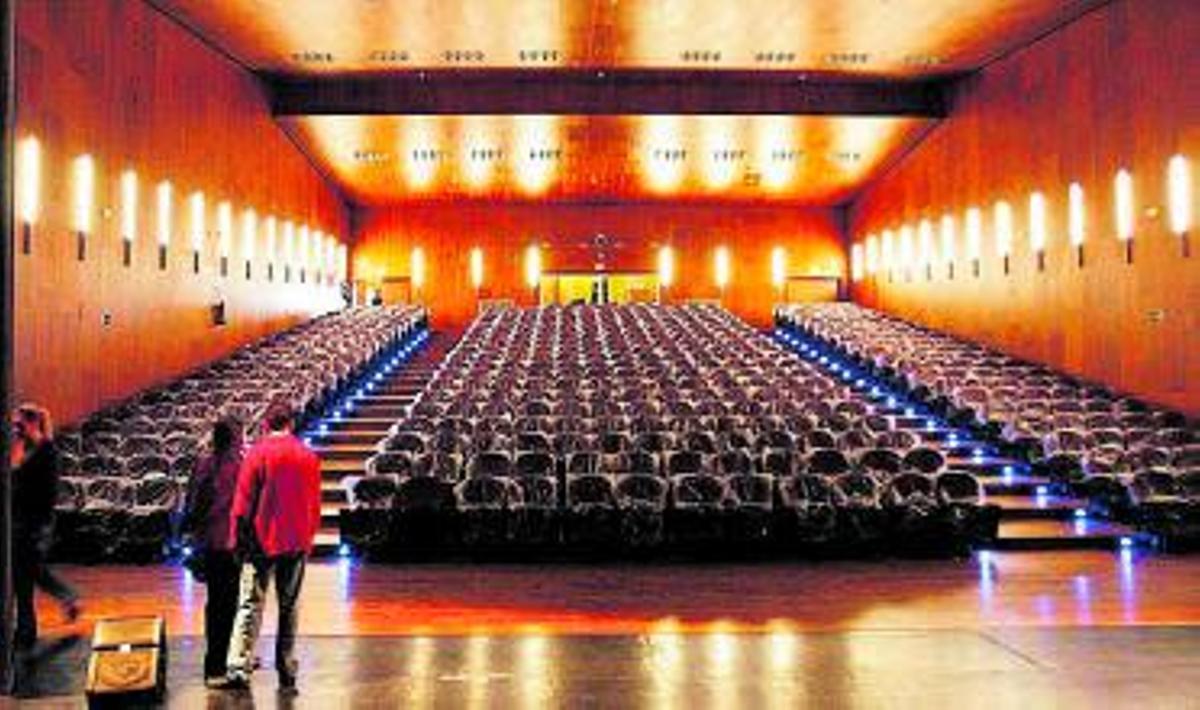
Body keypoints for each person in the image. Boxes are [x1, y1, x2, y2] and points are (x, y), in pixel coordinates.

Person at [219, 400, 321, 693]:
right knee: (289, 607)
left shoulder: (257, 453)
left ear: (265, 423)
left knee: (250, 604)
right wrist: (308, 540)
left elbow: (242, 503)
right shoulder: (308, 454)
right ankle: (286, 670)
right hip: (297, 541)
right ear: (291, 422)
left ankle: (239, 668)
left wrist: (236, 541)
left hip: (260, 542)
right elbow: (314, 504)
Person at [10, 403, 80, 650]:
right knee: (28, 574)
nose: (15, 430)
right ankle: (29, 626)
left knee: (26, 574)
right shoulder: (29, 449)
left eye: (19, 424)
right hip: (20, 520)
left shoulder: (46, 450)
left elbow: (18, 476)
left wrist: (18, 448)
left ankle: (27, 630)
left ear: (33, 423)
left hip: (35, 522)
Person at [184, 417, 244, 685]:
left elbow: (191, 504)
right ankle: (218, 667)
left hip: (208, 543)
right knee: (227, 607)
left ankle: (221, 661)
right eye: (240, 436)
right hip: (228, 545)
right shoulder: (237, 466)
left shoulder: (202, 463)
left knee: (217, 605)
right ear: (234, 439)